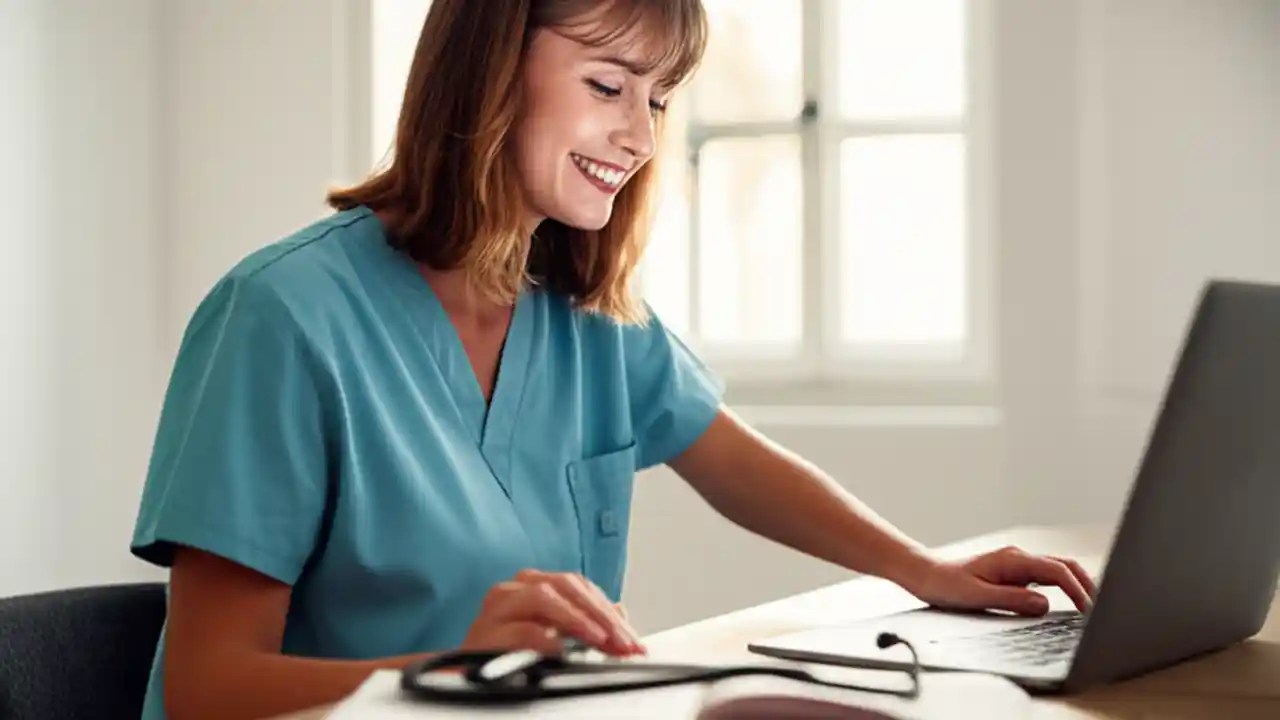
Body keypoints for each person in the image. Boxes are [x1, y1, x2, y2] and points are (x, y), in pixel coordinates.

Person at [129, 1, 1097, 718]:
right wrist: (445, 677)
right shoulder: (283, 316)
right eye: (605, 85)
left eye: (658, 99)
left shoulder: (584, 315)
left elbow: (733, 464)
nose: (638, 135)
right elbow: (212, 689)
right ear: (490, 70)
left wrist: (921, 569)